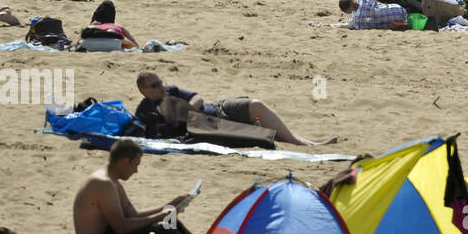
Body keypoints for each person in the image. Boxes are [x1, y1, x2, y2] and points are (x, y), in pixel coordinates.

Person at [134, 72, 334, 146]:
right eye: (154, 86)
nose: (160, 86)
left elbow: (198, 97)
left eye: (159, 82)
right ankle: (303, 143)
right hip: (209, 126)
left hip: (218, 108)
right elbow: (153, 135)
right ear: (144, 91)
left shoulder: (170, 90)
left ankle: (299, 141)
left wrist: (189, 109)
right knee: (261, 134)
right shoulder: (146, 110)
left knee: (256, 105)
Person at [72, 139, 201, 234]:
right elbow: (121, 227)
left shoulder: (112, 181)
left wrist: (168, 206)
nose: (136, 171)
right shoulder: (102, 183)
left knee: (171, 222)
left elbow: (133, 215)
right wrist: (160, 216)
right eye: (135, 165)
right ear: (124, 161)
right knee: (164, 228)